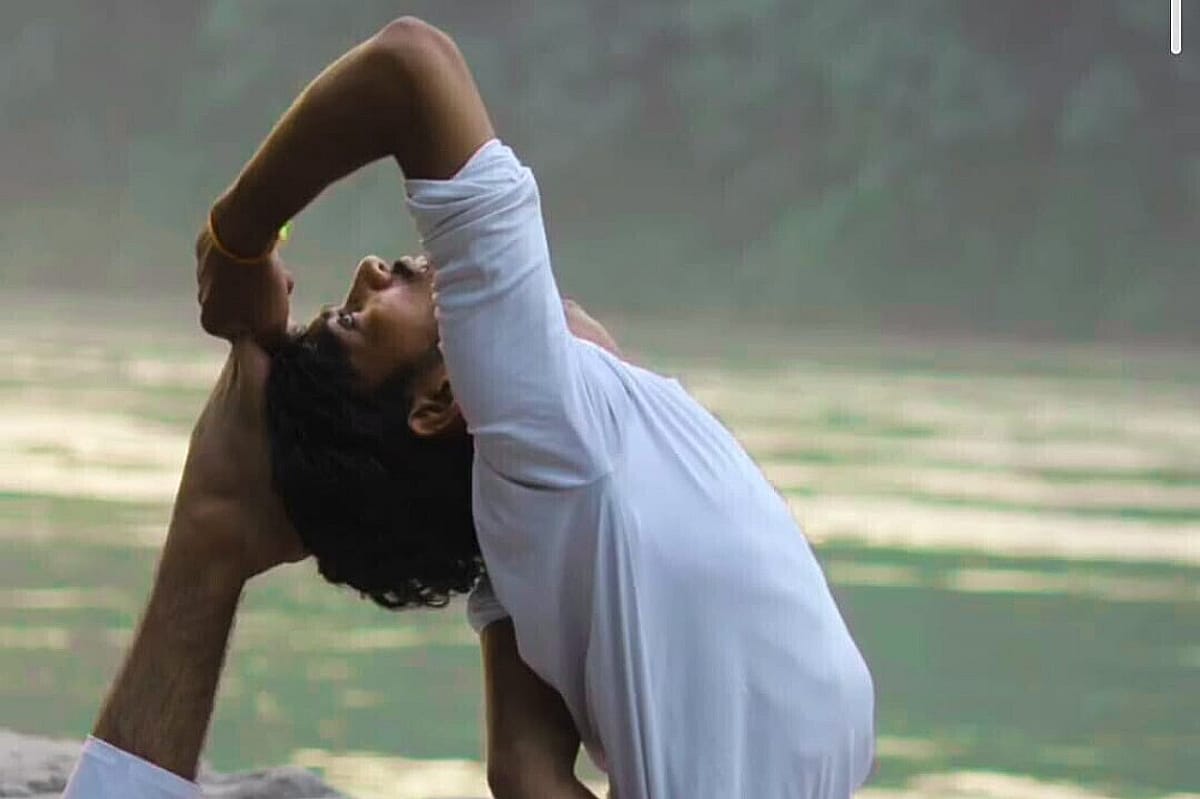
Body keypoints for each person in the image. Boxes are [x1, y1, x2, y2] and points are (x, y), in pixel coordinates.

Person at [199, 16, 874, 799]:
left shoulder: (527, 523)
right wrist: (239, 238)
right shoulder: (532, 419)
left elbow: (523, 768)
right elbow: (410, 63)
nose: (369, 268)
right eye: (356, 317)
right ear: (445, 398)